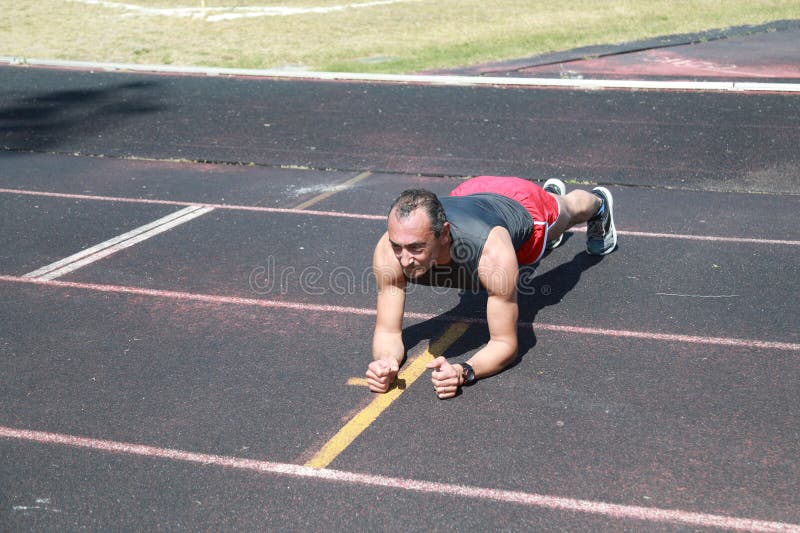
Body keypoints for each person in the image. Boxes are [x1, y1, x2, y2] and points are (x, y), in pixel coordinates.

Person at [365, 175, 617, 399]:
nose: (405, 259)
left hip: (523, 204)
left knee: (570, 209)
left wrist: (464, 371)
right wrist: (386, 362)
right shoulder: (389, 252)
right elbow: (388, 332)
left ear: (443, 234)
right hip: (471, 192)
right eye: (398, 245)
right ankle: (550, 194)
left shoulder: (491, 253)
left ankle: (599, 203)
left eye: (416, 248)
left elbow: (505, 344)